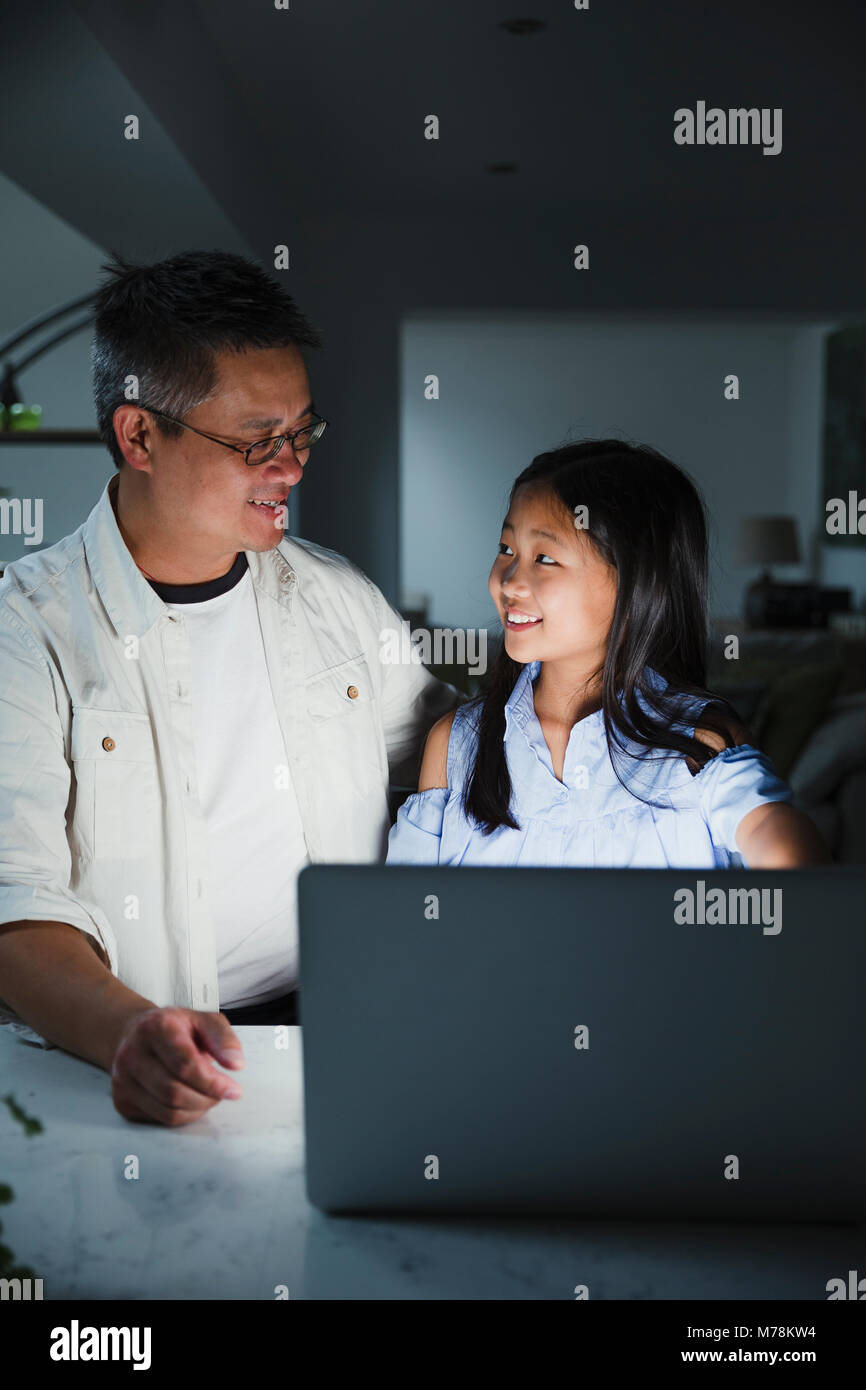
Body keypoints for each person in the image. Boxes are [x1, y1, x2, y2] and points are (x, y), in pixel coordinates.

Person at [0, 249, 460, 1125]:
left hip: (345, 1033)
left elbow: (452, 748)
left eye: (302, 433)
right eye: (257, 441)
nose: (290, 468)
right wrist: (134, 1033)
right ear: (140, 436)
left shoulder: (338, 597)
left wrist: (633, 717)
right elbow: (14, 908)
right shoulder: (24, 631)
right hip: (130, 1059)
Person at [386, 439, 830, 869]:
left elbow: (776, 836)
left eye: (545, 558)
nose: (509, 581)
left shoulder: (701, 744)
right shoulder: (456, 745)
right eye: (507, 549)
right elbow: (405, 916)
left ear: (636, 587)